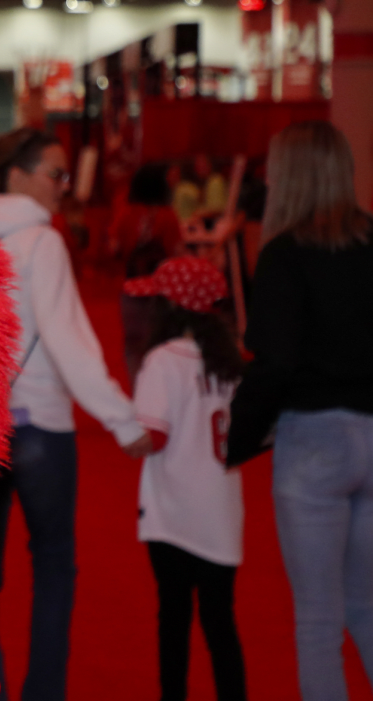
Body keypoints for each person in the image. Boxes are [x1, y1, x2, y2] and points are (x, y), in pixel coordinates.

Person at [0, 127, 152, 701]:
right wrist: (123, 422)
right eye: (56, 174)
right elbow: (68, 340)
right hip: (42, 427)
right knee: (55, 564)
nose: (64, 187)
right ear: (21, 175)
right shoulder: (42, 243)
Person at [227, 120, 373, 701]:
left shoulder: (285, 256)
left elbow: (274, 363)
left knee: (317, 622)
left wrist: (237, 437)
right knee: (366, 605)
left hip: (314, 442)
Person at [125, 257, 246, 701]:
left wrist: (120, 427)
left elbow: (153, 436)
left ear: (169, 308)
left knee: (173, 618)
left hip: (174, 513)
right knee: (220, 622)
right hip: (221, 511)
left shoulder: (163, 360)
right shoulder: (229, 362)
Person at [113, 163, 184, 378]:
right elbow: (176, 252)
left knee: (133, 346)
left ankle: (139, 391)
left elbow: (114, 247)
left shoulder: (125, 213)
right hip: (160, 293)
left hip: (130, 290)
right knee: (161, 346)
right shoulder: (167, 215)